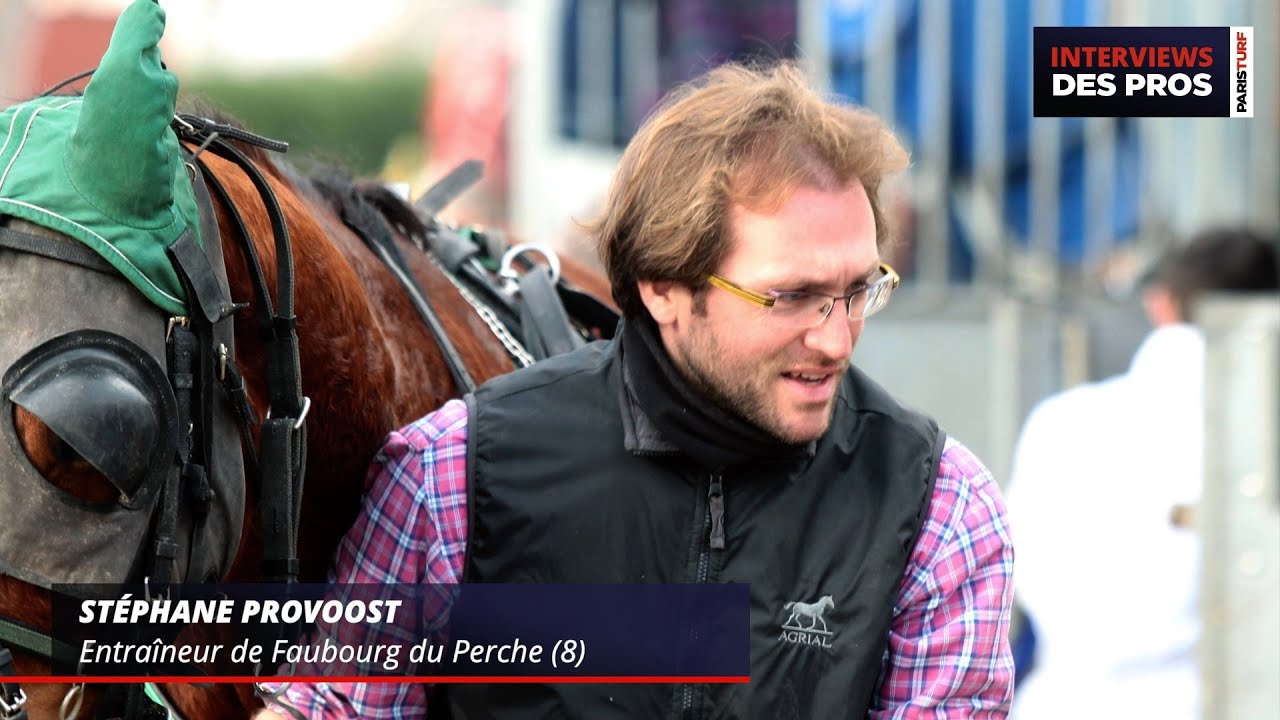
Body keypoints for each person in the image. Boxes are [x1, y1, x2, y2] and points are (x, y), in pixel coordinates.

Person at [259, 62, 1014, 719]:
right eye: (790, 296)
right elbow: (336, 703)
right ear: (662, 289)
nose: (836, 338)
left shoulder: (941, 513)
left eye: (858, 290)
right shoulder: (453, 477)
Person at [1005, 228, 1280, 720]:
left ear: (1160, 303)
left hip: (1061, 702)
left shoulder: (1062, 420)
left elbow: (1014, 571)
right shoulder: (1262, 440)